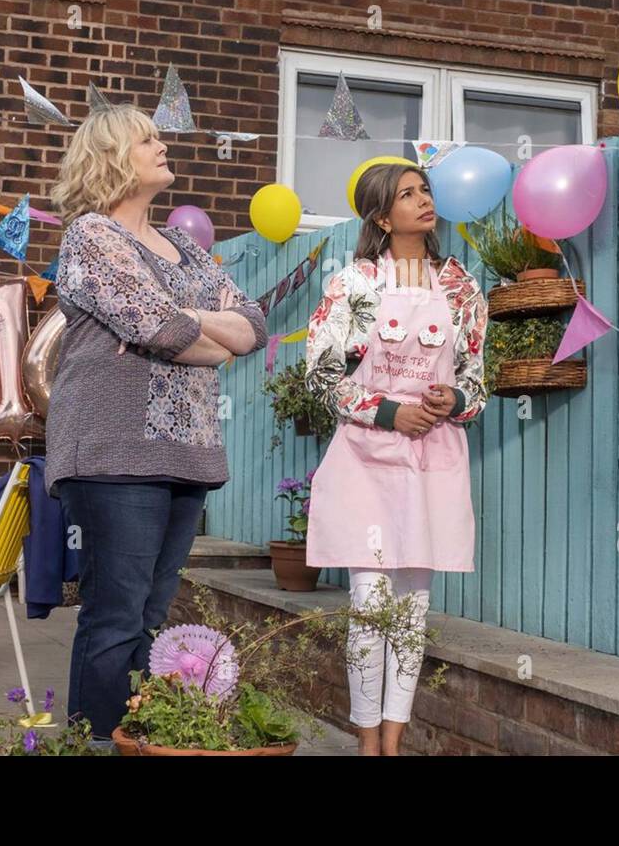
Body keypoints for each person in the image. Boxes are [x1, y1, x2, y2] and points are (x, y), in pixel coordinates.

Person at [46, 105, 267, 741]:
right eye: (148, 139)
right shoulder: (92, 237)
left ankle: (136, 742)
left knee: (150, 615)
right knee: (114, 614)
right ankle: (94, 745)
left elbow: (249, 328)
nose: (162, 144)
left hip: (185, 450)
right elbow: (158, 327)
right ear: (112, 158)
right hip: (113, 451)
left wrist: (188, 327)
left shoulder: (189, 250)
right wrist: (195, 329)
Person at [304, 162, 488, 756]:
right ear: (382, 217)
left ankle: (394, 740)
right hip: (365, 457)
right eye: (407, 194)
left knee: (412, 608)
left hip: (433, 456)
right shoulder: (352, 284)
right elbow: (319, 376)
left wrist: (454, 399)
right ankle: (365, 742)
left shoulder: (460, 287)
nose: (423, 200)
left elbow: (477, 384)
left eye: (425, 189)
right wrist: (387, 412)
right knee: (369, 602)